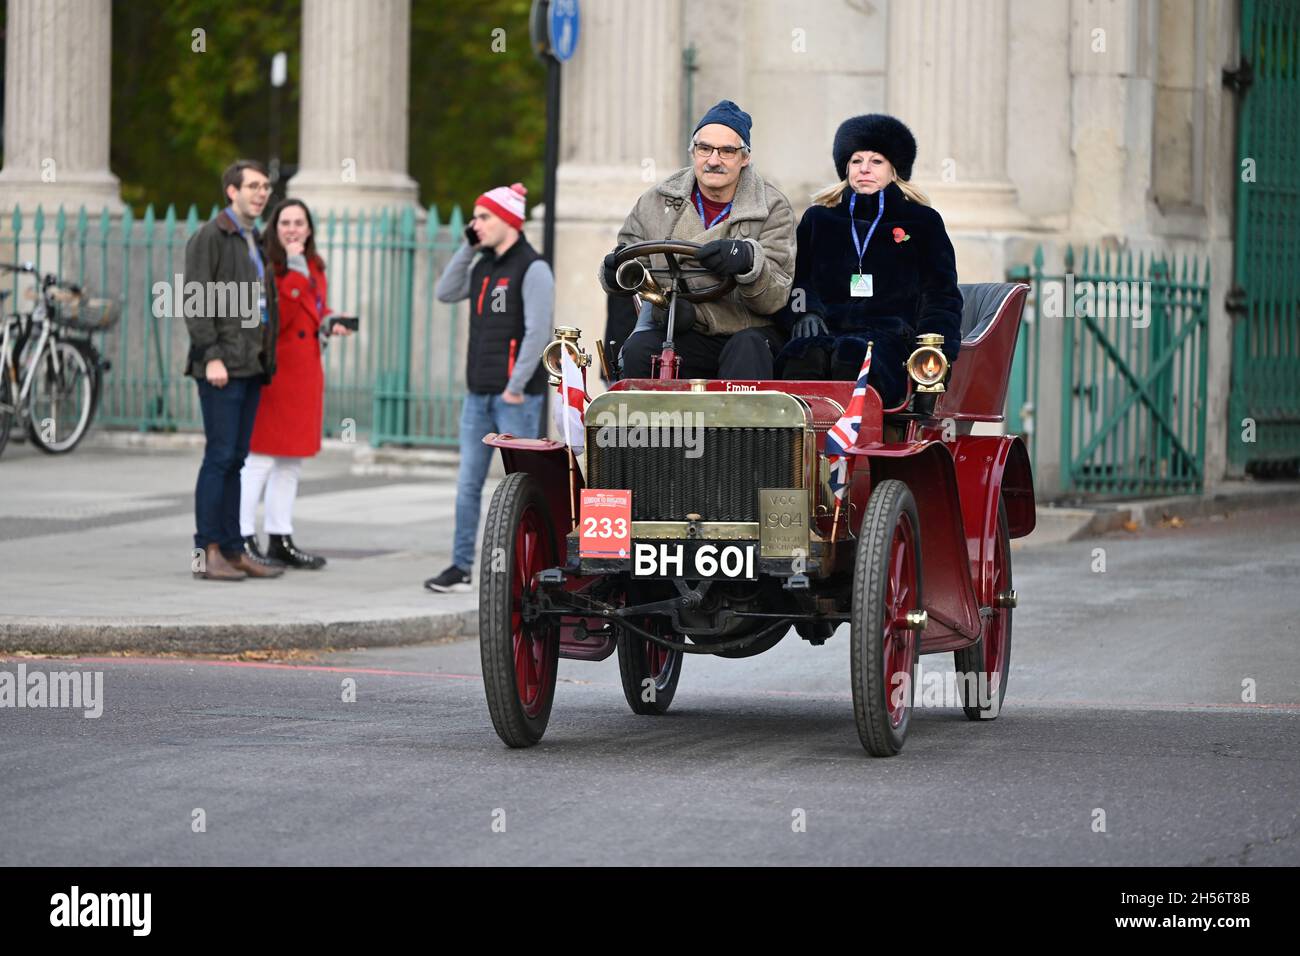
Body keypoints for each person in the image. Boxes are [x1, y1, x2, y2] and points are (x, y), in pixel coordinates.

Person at [775, 114, 963, 405]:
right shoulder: (818, 219)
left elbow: (941, 297)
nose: (864, 169)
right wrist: (805, 312)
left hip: (891, 341)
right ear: (845, 168)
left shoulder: (922, 222)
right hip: (826, 332)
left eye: (876, 161)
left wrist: (932, 361)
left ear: (893, 170)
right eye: (856, 160)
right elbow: (795, 279)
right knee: (802, 354)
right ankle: (798, 448)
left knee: (853, 354)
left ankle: (853, 448)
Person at [603, 100, 795, 380]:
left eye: (727, 151)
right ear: (693, 152)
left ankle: (737, 426)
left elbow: (775, 298)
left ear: (745, 158)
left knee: (747, 350)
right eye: (704, 148)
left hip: (746, 331)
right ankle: (652, 425)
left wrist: (749, 262)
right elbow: (629, 262)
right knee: (639, 351)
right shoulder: (655, 201)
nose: (713, 160)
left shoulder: (772, 207)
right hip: (679, 328)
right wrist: (612, 272)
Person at [423, 183, 551, 594]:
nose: (475, 225)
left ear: (509, 221)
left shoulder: (533, 268)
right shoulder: (481, 266)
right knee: (468, 484)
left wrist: (514, 387)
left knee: (523, 487)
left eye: (483, 218)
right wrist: (468, 249)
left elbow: (537, 333)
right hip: (478, 395)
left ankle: (529, 569)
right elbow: (444, 292)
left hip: (515, 398)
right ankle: (460, 567)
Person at [239, 198, 353, 571]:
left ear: (308, 228)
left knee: (290, 462)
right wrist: (295, 274)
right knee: (259, 459)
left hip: (305, 370)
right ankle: (242, 536)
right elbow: (279, 319)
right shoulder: (270, 267)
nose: (292, 229)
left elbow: (314, 309)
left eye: (299, 223)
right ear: (275, 228)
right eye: (285, 222)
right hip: (276, 371)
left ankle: (279, 537)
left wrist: (330, 320)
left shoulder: (315, 266)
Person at [183, 159, 283, 581]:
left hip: (250, 364)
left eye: (265, 188)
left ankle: (233, 547)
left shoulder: (253, 239)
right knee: (219, 458)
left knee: (238, 459)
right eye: (254, 187)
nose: (262, 194)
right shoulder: (211, 236)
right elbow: (196, 298)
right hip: (221, 365)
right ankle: (206, 552)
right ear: (232, 191)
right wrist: (211, 356)